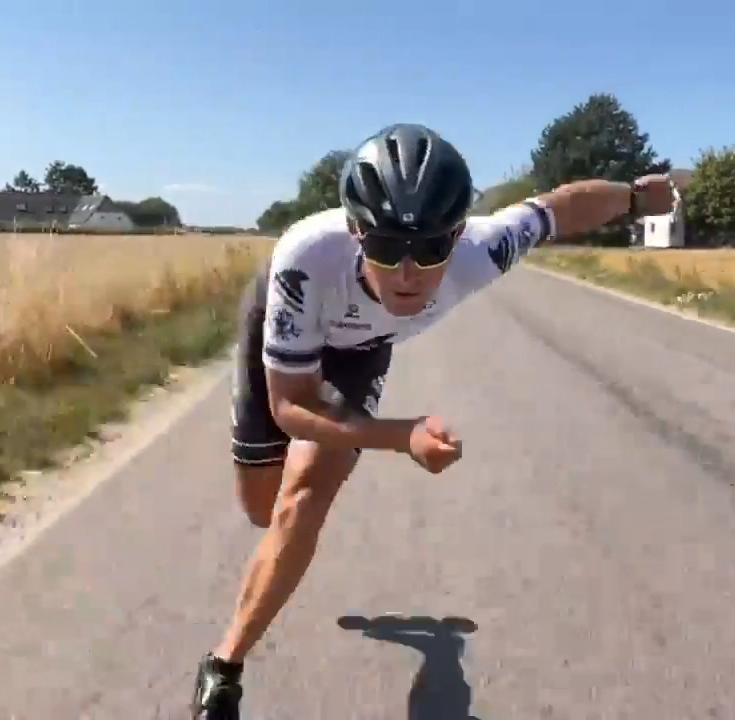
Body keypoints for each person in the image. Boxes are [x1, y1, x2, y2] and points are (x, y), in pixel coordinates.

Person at [191, 122, 674, 719]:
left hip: (361, 350)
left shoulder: (485, 248)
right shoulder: (304, 258)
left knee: (302, 499)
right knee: (261, 508)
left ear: (459, 236)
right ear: (354, 231)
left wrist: (630, 196)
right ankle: (437, 644)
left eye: (432, 249)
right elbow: (292, 407)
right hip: (293, 325)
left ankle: (223, 666)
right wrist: (401, 435)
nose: (408, 273)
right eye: (387, 248)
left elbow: (557, 209)